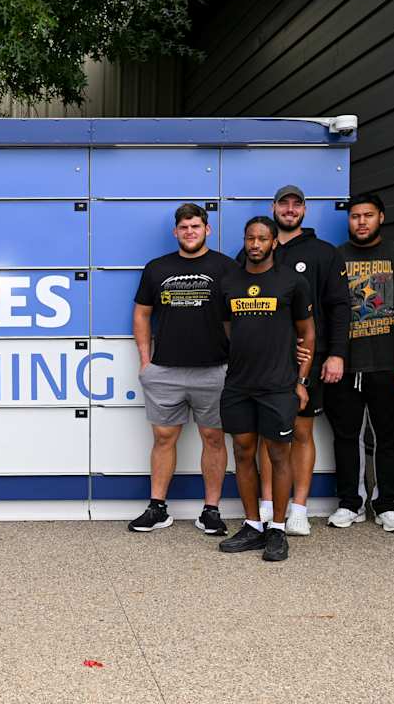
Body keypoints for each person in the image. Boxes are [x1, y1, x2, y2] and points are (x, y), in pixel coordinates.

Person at [236, 185, 349, 536]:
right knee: (268, 435)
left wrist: (336, 354)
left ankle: (299, 507)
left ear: (304, 210)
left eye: (296, 204)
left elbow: (339, 307)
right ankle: (269, 504)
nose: (289, 209)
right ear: (272, 208)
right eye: (283, 203)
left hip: (306, 359)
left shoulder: (323, 252)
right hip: (262, 363)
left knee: (300, 431)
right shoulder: (251, 253)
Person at [129, 203, 238, 536]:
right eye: (184, 227)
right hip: (165, 370)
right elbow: (142, 314)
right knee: (163, 438)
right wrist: (145, 361)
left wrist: (234, 362)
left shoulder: (225, 267)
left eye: (196, 226)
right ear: (175, 232)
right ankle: (157, 508)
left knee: (214, 438)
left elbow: (235, 318)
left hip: (214, 369)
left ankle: (211, 510)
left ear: (208, 229)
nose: (190, 232)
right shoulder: (157, 268)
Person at [217, 217, 316, 562]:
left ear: (274, 243)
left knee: (278, 456)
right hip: (239, 384)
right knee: (243, 452)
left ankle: (277, 528)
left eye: (262, 239)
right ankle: (252, 526)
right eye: (250, 238)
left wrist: (301, 380)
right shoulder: (229, 282)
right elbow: (230, 327)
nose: (255, 244)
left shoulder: (292, 282)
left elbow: (308, 332)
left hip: (278, 386)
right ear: (244, 241)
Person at [325, 193, 394, 533]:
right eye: (355, 216)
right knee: (347, 437)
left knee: (390, 437)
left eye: (367, 215)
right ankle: (351, 502)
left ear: (381, 217)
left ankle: (388, 504)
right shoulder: (335, 258)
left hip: (388, 363)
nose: (360, 221)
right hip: (345, 365)